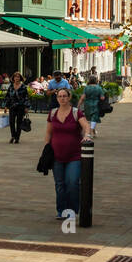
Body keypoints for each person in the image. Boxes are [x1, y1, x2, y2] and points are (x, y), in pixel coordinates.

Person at [44, 86, 91, 219]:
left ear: (69, 97)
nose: (62, 98)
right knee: (60, 184)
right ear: (57, 98)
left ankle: (72, 210)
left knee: (72, 183)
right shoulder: (53, 113)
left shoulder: (76, 113)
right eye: (60, 96)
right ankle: (61, 210)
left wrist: (87, 135)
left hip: (74, 155)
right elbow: (48, 132)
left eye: (65, 96)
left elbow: (86, 126)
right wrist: (46, 148)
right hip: (56, 155)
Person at [4, 72, 30, 143]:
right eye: (15, 77)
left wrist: (26, 107)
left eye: (18, 77)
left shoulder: (23, 87)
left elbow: (26, 97)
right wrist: (6, 106)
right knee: (11, 122)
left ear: (20, 78)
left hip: (21, 107)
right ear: (13, 78)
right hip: (12, 106)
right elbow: (7, 97)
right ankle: (13, 136)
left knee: (19, 123)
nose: (17, 78)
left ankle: (17, 138)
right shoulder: (11, 86)